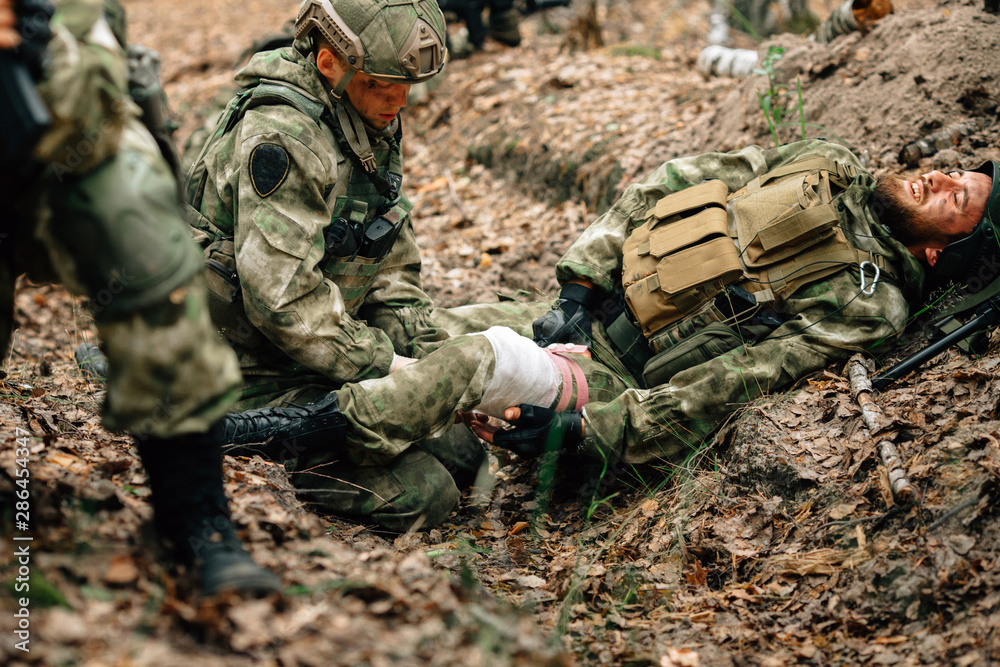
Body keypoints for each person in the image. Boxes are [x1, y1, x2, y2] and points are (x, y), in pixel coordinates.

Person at [209, 138, 998, 491]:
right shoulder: (828, 162)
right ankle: (225, 380)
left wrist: (593, 435)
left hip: (612, 382)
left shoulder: (869, 302)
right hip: (582, 321)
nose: (945, 178)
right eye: (958, 169)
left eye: (962, 197)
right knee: (408, 332)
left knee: (476, 360)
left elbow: (735, 382)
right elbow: (676, 178)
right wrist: (580, 284)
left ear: (943, 255)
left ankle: (286, 433)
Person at [183, 0, 502, 532]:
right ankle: (242, 436)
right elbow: (282, 301)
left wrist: (428, 360)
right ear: (331, 62)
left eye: (407, 85)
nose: (399, 101)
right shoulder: (285, 134)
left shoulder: (360, 113)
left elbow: (390, 262)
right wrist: (388, 367)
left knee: (465, 457)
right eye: (383, 83)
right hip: (242, 368)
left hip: (317, 357)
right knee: (425, 495)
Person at [0, 0, 279, 596]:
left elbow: (86, 102)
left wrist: (33, 44)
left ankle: (195, 520)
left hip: (53, 137)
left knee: (133, 216)